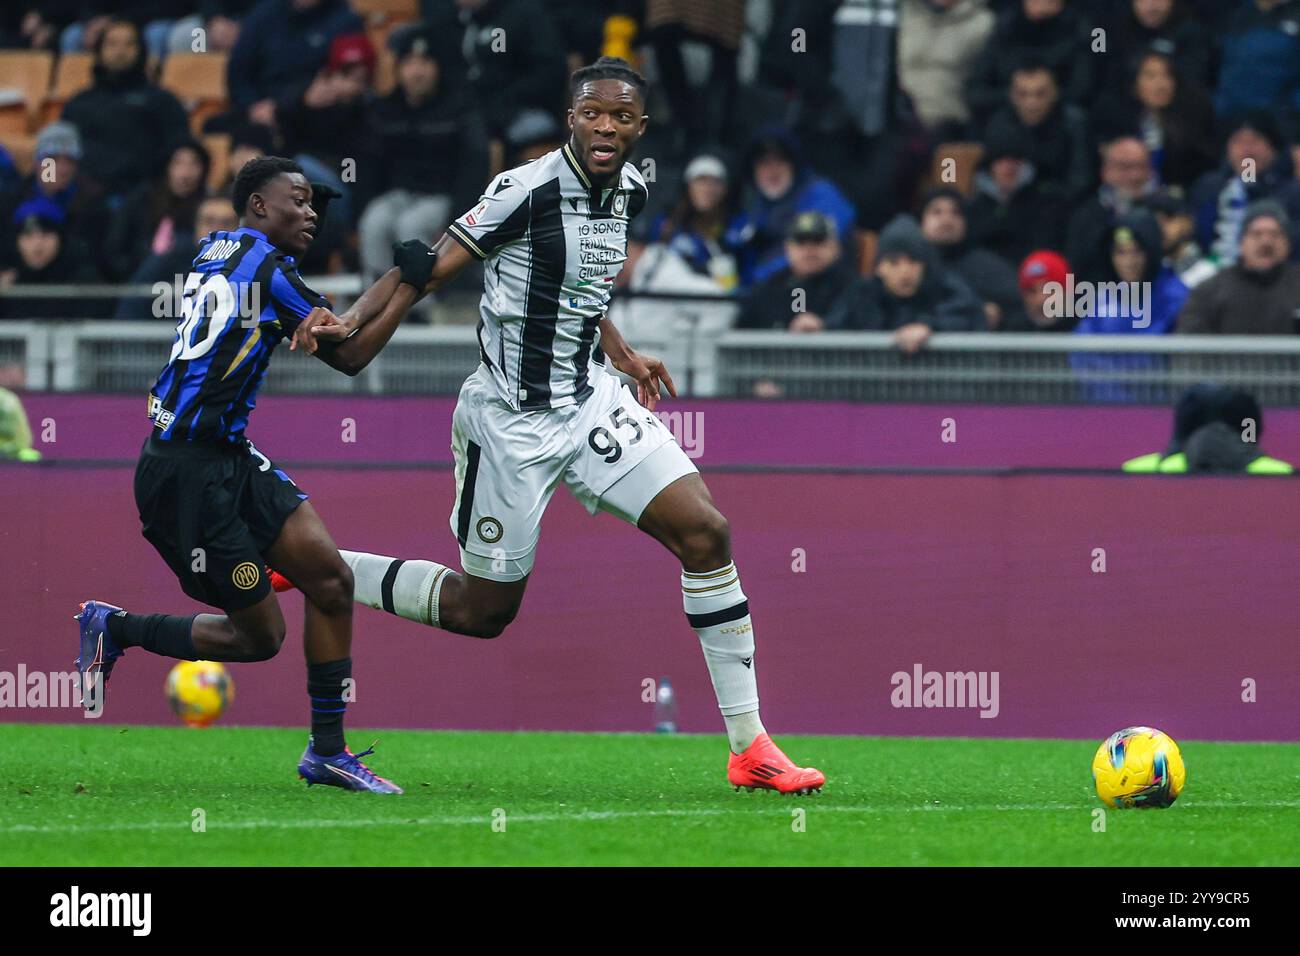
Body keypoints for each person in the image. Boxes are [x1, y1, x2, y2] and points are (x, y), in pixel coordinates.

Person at [293, 57, 826, 795]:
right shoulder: (525, 189)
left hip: (590, 401)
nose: (606, 126)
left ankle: (750, 746)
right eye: (592, 113)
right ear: (571, 118)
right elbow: (426, 267)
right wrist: (349, 321)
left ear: (640, 127)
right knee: (484, 613)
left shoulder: (631, 191)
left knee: (706, 532)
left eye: (621, 116)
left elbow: (579, 288)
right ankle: (320, 566)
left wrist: (624, 353)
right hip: (509, 423)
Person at [74, 157, 429, 793]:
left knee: (330, 578)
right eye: (299, 199)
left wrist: (397, 279)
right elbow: (350, 354)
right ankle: (116, 625)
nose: (313, 213)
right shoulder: (265, 267)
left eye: (317, 203)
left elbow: (335, 327)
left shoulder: (225, 248)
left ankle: (328, 752)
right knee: (259, 637)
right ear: (260, 207)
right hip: (184, 478)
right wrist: (409, 282)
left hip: (227, 456)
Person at [356, 26, 487, 281]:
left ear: (437, 67)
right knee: (373, 221)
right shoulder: (386, 110)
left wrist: (456, 219)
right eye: (409, 63)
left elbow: (475, 163)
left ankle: (418, 304)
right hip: (398, 194)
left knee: (411, 226)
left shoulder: (459, 108)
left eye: (425, 62)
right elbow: (368, 164)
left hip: (442, 197)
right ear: (399, 69)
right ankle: (375, 301)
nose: (417, 72)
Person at [60, 18, 190, 203]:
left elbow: (178, 150)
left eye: (129, 44)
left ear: (141, 50)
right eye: (112, 43)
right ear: (99, 51)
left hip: (143, 197)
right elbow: (62, 151)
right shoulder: (79, 103)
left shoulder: (163, 101)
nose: (120, 51)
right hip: (84, 196)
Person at [825, 214, 984, 350]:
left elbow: (969, 315)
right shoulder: (861, 295)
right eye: (894, 262)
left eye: (913, 261)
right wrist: (817, 328)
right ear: (879, 268)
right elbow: (834, 327)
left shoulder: (946, 289)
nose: (905, 271)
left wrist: (930, 326)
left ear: (925, 265)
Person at [725, 125, 855, 287]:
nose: (772, 171)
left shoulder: (820, 194)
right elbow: (735, 241)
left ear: (794, 165)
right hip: (758, 295)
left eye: (779, 161)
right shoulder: (757, 203)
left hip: (807, 291)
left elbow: (815, 249)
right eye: (763, 163)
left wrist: (759, 279)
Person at [1177, 200, 1300, 334]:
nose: (1266, 242)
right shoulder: (1210, 291)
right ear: (1241, 243)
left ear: (1287, 244)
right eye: (1256, 234)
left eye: (1275, 234)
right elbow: (1189, 345)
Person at [104, 140, 211, 281]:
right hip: (134, 282)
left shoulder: (208, 207)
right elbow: (115, 249)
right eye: (178, 163)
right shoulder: (141, 201)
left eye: (194, 164)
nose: (185, 174)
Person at [919, 186, 1021, 330]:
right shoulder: (909, 266)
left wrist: (1000, 316)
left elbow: (1020, 310)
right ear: (921, 221)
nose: (947, 219)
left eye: (956, 213)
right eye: (936, 212)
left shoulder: (988, 266)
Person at [736, 211, 857, 332]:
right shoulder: (768, 288)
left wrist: (826, 327)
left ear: (835, 247)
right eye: (800, 241)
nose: (809, 249)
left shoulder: (853, 289)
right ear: (787, 248)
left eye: (818, 240)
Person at [1065, 135, 1156, 282]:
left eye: (1141, 166)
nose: (1135, 175)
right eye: (1125, 167)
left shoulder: (1162, 212)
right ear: (1105, 172)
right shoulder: (1086, 217)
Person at [998, 249, 1078, 332]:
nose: (1041, 300)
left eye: (1050, 290)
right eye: (1032, 291)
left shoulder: (1087, 332)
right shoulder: (1009, 335)